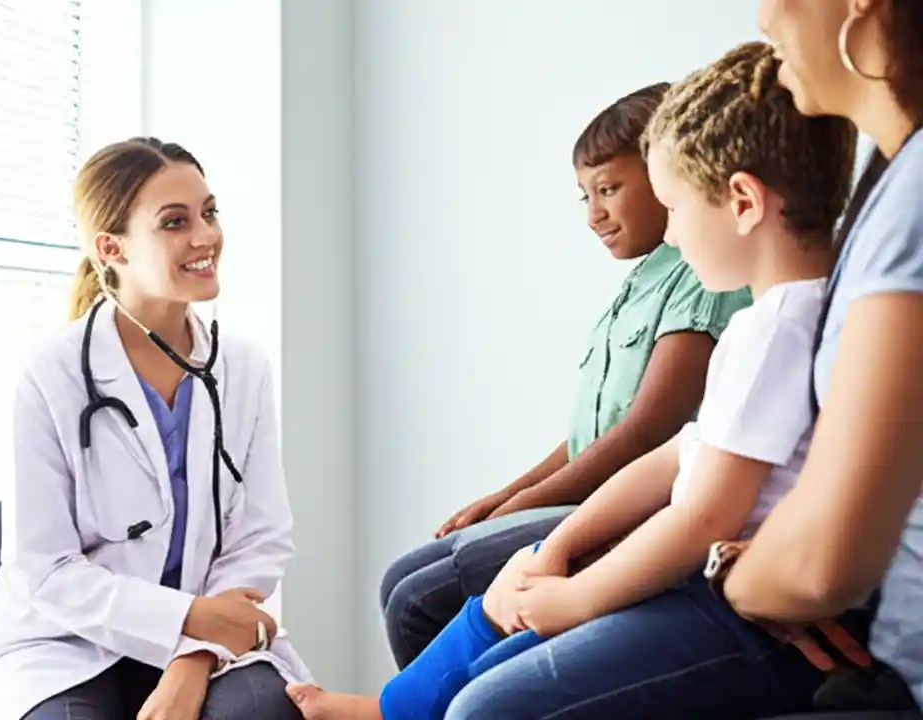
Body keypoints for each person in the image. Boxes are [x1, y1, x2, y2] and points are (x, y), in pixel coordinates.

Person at [289, 41, 858, 720]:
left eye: (675, 209)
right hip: (711, 576)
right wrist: (554, 546)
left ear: (741, 202)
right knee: (506, 629)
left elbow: (702, 512)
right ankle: (391, 710)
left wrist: (579, 598)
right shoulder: (767, 324)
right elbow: (675, 457)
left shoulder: (781, 330)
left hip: (736, 612)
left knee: (487, 699)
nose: (673, 237)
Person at [379, 83, 753, 669]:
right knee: (407, 578)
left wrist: (527, 503)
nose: (593, 215)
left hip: (634, 510)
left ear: (666, 174)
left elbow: (647, 432)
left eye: (608, 190)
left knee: (415, 599)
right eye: (584, 196)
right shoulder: (636, 286)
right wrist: (504, 496)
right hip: (589, 494)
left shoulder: (700, 279)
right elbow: (591, 432)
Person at [0, 138, 310, 720]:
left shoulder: (241, 368)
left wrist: (192, 655)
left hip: (212, 639)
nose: (205, 236)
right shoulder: (53, 376)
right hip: (62, 642)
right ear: (111, 248)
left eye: (209, 213)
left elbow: (260, 538)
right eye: (175, 222)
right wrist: (190, 620)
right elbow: (45, 570)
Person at [711, 1, 923, 718]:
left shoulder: (915, 200)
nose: (764, 19)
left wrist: (733, 578)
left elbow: (818, 563)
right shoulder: (895, 183)